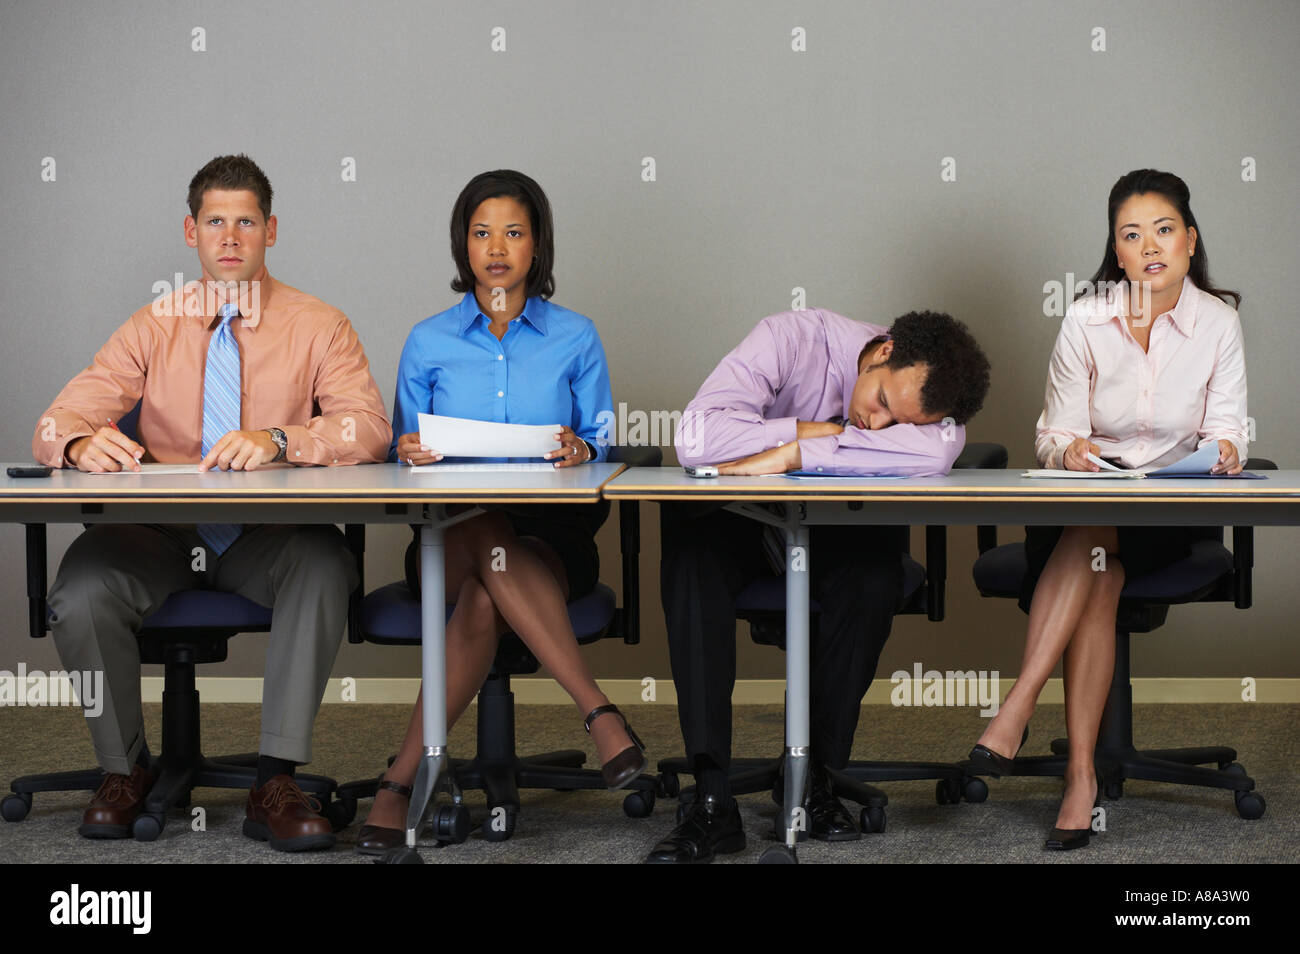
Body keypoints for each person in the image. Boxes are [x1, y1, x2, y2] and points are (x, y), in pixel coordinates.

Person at [31, 154, 392, 852]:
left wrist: (282, 438)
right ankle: (124, 770)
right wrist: (76, 447)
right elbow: (55, 421)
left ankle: (275, 781)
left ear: (272, 230)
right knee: (80, 587)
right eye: (216, 221)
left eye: (247, 221)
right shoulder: (151, 326)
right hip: (158, 536)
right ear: (191, 231)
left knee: (324, 565)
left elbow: (370, 428)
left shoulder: (321, 325)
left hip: (267, 535)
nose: (231, 236)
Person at [354, 169, 645, 855]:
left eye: (513, 232)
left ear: (537, 246)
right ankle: (597, 712)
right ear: (463, 245)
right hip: (446, 537)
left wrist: (584, 447)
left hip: (549, 537)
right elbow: (399, 451)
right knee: (478, 525)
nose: (496, 247)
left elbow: (602, 437)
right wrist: (409, 452)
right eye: (482, 232)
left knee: (488, 590)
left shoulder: (576, 336)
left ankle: (401, 781)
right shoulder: (429, 340)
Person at [646, 307, 991, 863]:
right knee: (691, 563)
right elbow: (695, 437)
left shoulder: (924, 402)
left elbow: (940, 449)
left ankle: (814, 776)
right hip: (745, 524)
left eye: (895, 424)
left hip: (840, 533)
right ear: (882, 351)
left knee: (874, 578)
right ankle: (712, 797)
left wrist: (795, 455)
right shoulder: (791, 338)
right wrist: (809, 430)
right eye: (880, 403)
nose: (875, 425)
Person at [967, 168, 1248, 850]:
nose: (1149, 244)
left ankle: (1019, 707)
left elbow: (1230, 426)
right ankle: (1083, 775)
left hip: (1166, 519)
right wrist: (1070, 454)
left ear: (1189, 240)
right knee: (1101, 562)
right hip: (1083, 509)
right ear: (1116, 252)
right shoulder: (1087, 318)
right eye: (1131, 234)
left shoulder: (1218, 323)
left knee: (1102, 545)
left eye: (1163, 228)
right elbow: (1053, 433)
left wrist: (1229, 448)